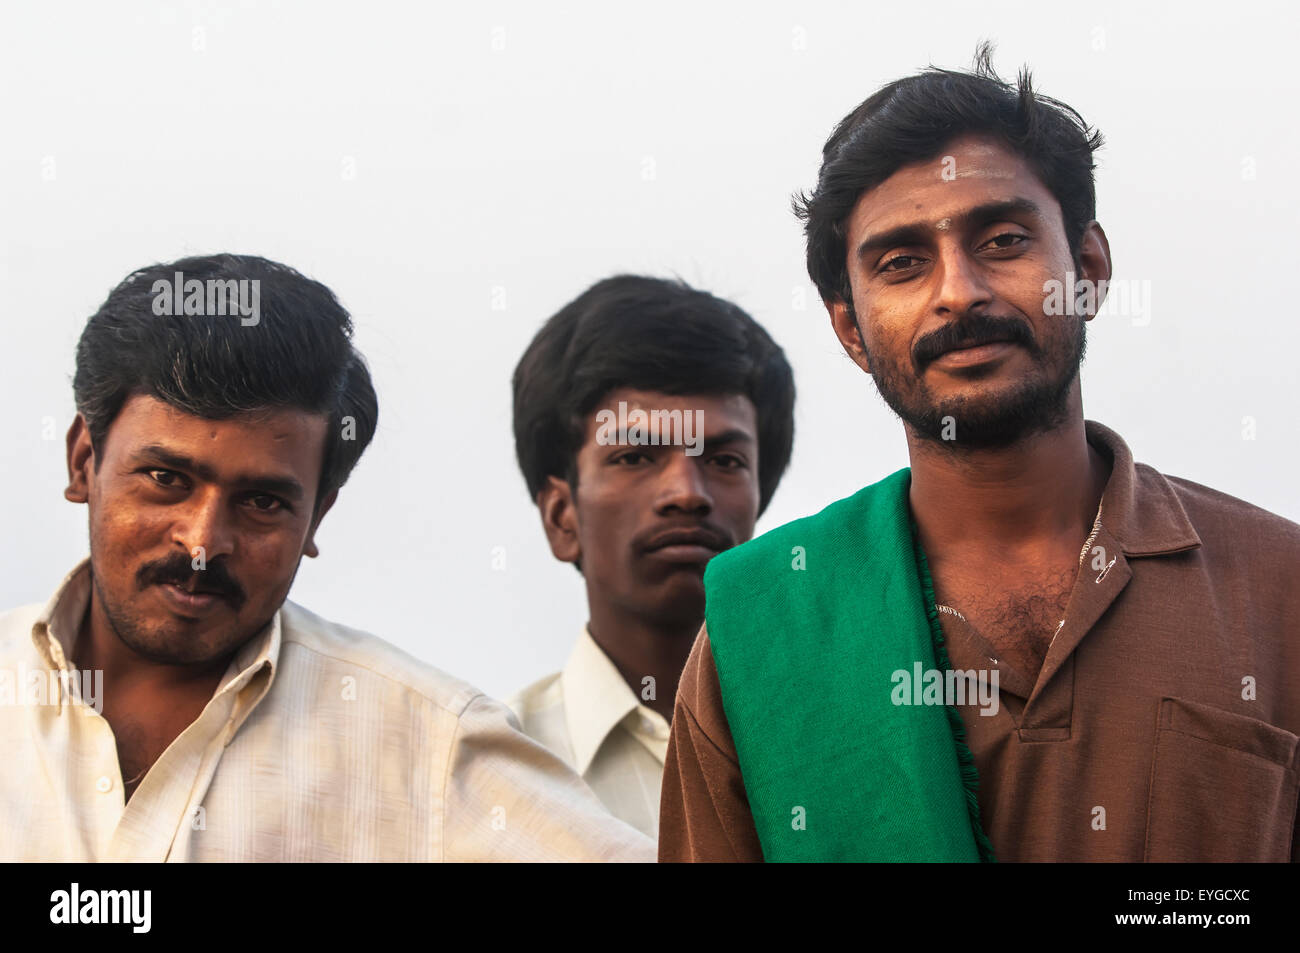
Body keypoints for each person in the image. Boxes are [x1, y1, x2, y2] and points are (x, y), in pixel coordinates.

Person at [659, 47, 1300, 862]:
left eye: (1001, 240)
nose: (958, 291)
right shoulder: (765, 625)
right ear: (851, 328)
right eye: (901, 263)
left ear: (1090, 268)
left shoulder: (1279, 586)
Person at [0, 253, 652, 862]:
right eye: (167, 479)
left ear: (318, 515)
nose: (202, 541)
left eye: (261, 501)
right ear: (84, 460)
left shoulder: (425, 743)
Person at [507, 275, 795, 837]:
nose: (687, 492)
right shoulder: (493, 767)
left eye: (725, 460)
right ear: (561, 516)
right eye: (636, 457)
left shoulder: (848, 739)